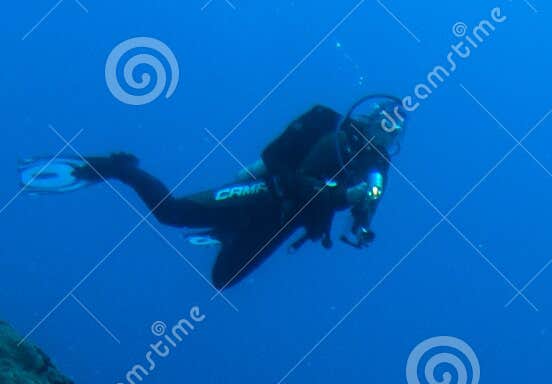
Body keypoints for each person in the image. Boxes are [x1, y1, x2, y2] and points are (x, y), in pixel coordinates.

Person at [18, 95, 405, 289]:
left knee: (223, 280)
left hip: (283, 223)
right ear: (372, 116)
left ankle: (228, 231)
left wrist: (362, 225)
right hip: (266, 195)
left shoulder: (376, 168)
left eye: (397, 130)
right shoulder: (329, 128)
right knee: (173, 212)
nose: (390, 133)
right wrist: (341, 198)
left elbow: (365, 204)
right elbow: (280, 164)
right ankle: (122, 168)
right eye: (387, 122)